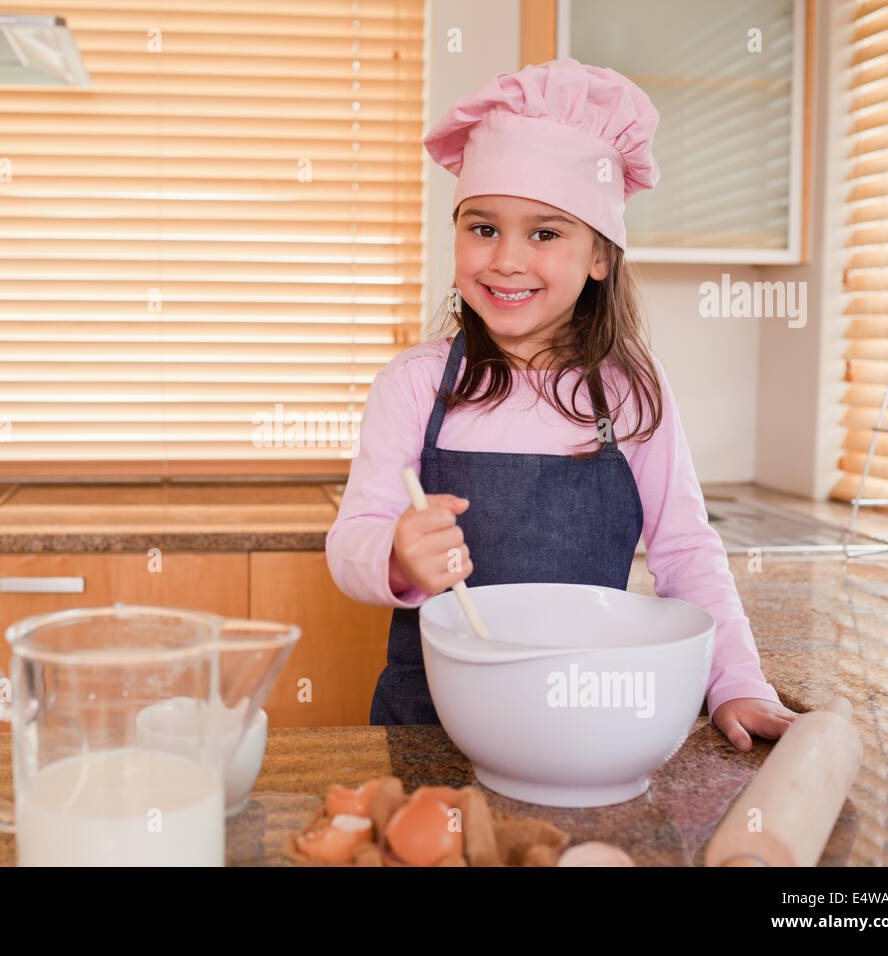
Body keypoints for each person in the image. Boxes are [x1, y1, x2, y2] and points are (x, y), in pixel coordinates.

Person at [325, 58, 798, 751]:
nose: (506, 260)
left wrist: (737, 681)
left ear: (600, 255)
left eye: (545, 233)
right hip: (432, 725)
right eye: (482, 228)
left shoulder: (633, 386)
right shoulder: (414, 384)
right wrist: (395, 557)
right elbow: (351, 537)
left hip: (585, 718)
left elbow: (686, 551)